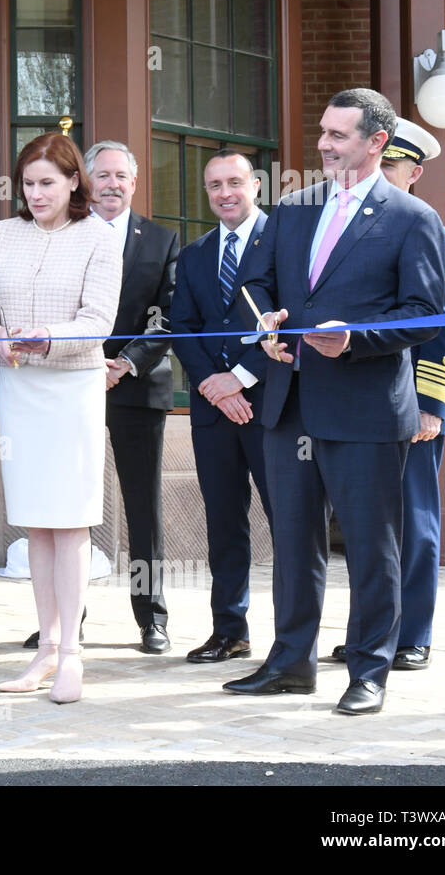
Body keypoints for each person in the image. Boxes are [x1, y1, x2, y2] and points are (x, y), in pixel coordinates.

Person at [227, 88, 445, 715]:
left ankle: (370, 670)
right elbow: (259, 280)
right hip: (289, 403)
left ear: (377, 143)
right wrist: (264, 319)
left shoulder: (412, 219)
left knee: (373, 548)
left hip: (366, 408)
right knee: (294, 545)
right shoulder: (292, 210)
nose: (323, 145)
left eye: (338, 135)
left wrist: (355, 340)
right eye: (322, 132)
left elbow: (427, 316)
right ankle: (291, 662)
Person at [0, 132, 121, 704]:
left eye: (47, 183)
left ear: (75, 181)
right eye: (28, 184)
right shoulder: (4, 235)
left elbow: (99, 318)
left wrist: (47, 337)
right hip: (20, 387)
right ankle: (46, 650)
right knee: (35, 522)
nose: (35, 193)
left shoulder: (99, 238)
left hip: (74, 388)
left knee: (71, 520)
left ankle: (73, 656)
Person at [326, 117, 445, 673]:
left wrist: (431, 402)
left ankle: (413, 634)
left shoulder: (431, 228)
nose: (381, 175)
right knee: (365, 525)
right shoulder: (343, 230)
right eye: (376, 164)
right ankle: (370, 631)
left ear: (416, 173)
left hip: (412, 406)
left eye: (392, 166)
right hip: (362, 401)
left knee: (412, 523)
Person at [169, 150, 273, 663]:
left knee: (290, 522)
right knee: (224, 523)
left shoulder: (283, 244)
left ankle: (300, 635)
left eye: (234, 182)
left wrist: (241, 377)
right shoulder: (194, 255)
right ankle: (230, 630)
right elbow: (182, 326)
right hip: (213, 412)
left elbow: (292, 318)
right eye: (214, 186)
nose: (225, 193)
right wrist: (214, 383)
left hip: (273, 408)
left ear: (255, 184)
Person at [85, 139, 178, 654]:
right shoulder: (64, 234)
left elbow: (168, 314)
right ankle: (63, 617)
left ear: (134, 183)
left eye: (122, 176)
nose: (112, 184)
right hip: (70, 387)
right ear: (87, 181)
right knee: (67, 509)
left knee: (144, 508)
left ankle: (152, 618)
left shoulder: (162, 241)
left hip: (137, 387)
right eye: (103, 175)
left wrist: (126, 363)